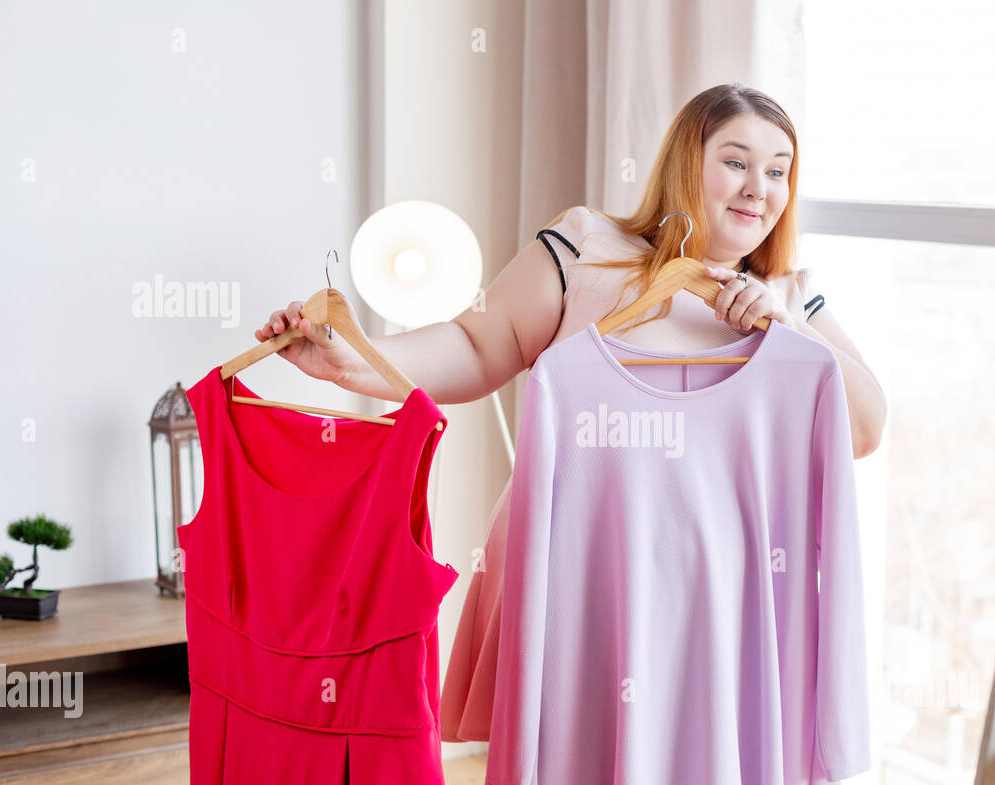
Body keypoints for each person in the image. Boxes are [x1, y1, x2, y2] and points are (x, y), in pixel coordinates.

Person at [254, 82, 887, 742]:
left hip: (726, 592)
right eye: (735, 161)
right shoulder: (589, 246)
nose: (759, 187)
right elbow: (478, 343)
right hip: (585, 573)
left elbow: (865, 429)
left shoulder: (793, 300)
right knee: (585, 782)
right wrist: (351, 359)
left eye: (778, 171)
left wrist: (786, 326)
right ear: (685, 164)